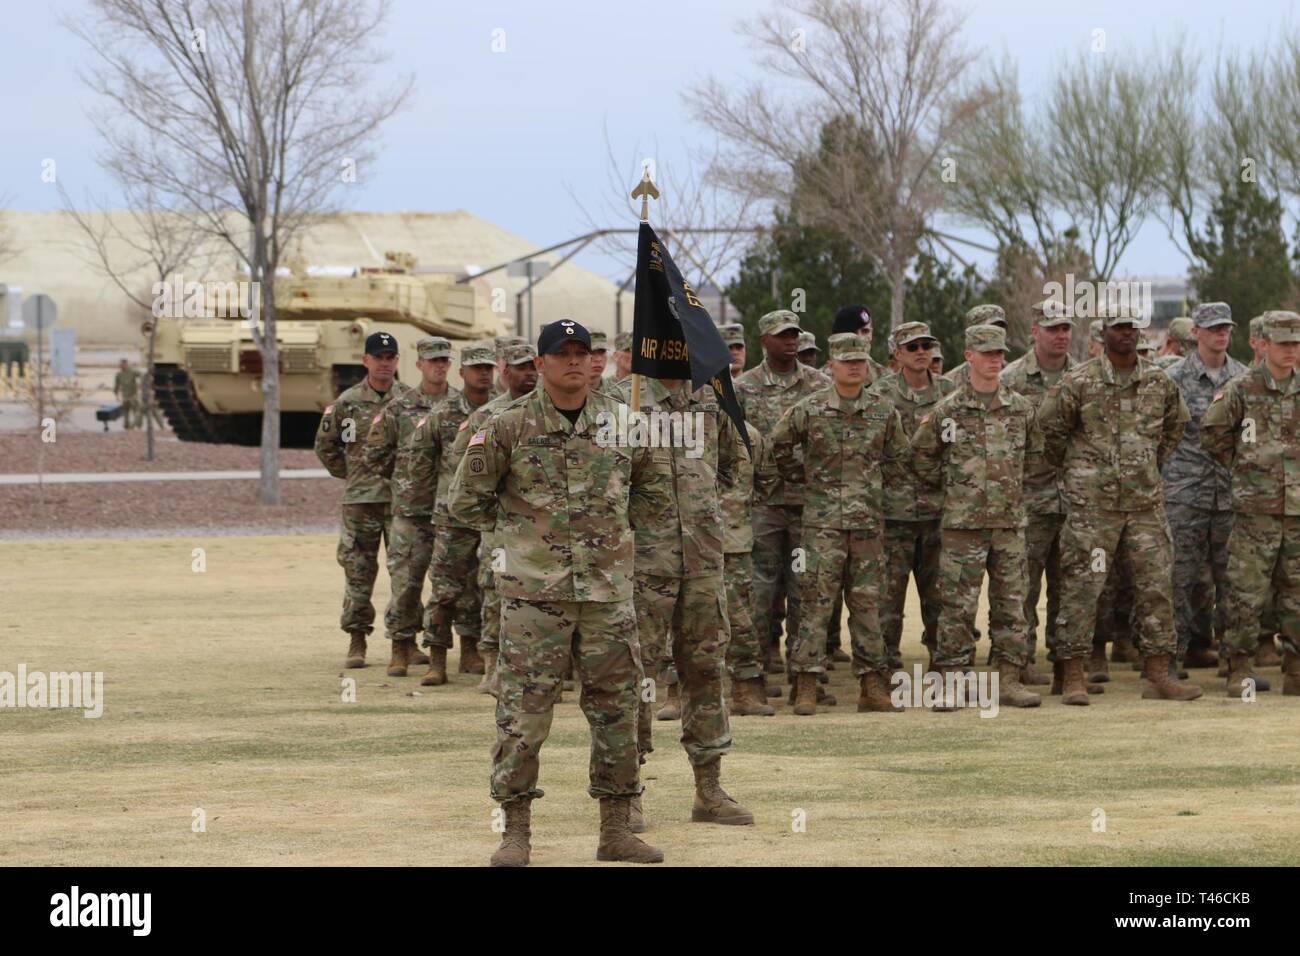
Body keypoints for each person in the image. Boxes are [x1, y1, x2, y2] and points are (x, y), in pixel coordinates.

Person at [449, 318, 671, 867]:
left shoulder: (626, 424)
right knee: (523, 714)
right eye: (561, 353)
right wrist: (525, 538)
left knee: (617, 711)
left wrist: (612, 537)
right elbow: (466, 501)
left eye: (583, 352)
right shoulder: (507, 426)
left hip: (606, 596)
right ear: (540, 364)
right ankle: (515, 833)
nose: (574, 361)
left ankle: (616, 829)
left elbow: (653, 491)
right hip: (533, 598)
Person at [614, 361, 754, 829]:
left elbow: (734, 465)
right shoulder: (622, 400)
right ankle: (627, 793)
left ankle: (709, 789)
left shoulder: (712, 397)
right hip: (642, 565)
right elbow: (604, 480)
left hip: (703, 561)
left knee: (706, 671)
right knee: (635, 677)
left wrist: (701, 512)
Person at [1038, 307, 1201, 703]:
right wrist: (1082, 473)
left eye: (1133, 328)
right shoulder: (1080, 381)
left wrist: (1148, 462)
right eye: (1120, 328)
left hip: (1145, 506)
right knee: (1082, 588)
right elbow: (1049, 431)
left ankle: (1159, 673)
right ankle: (1073, 673)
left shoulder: (1158, 382)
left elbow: (1175, 426)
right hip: (1094, 510)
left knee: (1156, 587)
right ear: (1105, 333)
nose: (1128, 334)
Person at [770, 333, 909, 715]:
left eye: (860, 361)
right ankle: (806, 685)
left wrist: (876, 490)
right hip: (822, 526)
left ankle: (872, 685)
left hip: (867, 527)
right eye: (846, 361)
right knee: (815, 604)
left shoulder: (883, 411)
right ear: (830, 366)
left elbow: (900, 459)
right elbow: (777, 445)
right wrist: (802, 477)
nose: (854, 366)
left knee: (868, 605)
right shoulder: (810, 408)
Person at [913, 325, 1043, 709]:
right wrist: (956, 489)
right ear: (969, 355)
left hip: (1008, 524)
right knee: (956, 606)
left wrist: (1011, 491)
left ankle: (1009, 678)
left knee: (1012, 602)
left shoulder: (1020, 409)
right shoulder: (948, 410)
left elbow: (1035, 457)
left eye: (1000, 353)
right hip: (962, 526)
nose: (995, 360)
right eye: (987, 353)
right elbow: (922, 457)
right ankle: (954, 680)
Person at [1201, 310, 1300, 697]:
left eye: (1296, 343)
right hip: (1254, 512)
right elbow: (1214, 436)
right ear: (1265, 344)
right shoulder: (1241, 389)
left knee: (1296, 593)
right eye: (1284, 343)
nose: (1291, 350)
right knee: (1245, 592)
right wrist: (1248, 469)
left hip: (1297, 512)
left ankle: (1295, 670)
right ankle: (1237, 668)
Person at [733, 310, 828, 679]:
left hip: (808, 505)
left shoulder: (819, 385)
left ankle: (804, 672)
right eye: (782, 335)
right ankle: (754, 668)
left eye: (794, 335)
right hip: (764, 505)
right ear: (763, 342)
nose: (790, 341)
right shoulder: (742, 388)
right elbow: (733, 446)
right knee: (760, 588)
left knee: (805, 585)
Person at [314, 331, 413, 667]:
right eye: (378, 357)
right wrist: (352, 474)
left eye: (390, 357)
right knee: (359, 571)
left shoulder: (409, 402)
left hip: (402, 502)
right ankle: (357, 641)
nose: (385, 364)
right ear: (365, 361)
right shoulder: (347, 402)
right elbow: (326, 446)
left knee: (405, 573)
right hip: (361, 501)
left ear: (397, 361)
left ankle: (405, 640)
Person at [1161, 303, 1248, 678]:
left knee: (1233, 579)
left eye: (1225, 327)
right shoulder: (1173, 378)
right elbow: (1160, 432)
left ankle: (1233, 659)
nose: (1221, 334)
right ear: (1195, 332)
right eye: (1213, 328)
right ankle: (1172, 658)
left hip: (1229, 493)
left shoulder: (1244, 378)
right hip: (1185, 493)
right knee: (1180, 577)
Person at [449, 343, 539, 696]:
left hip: (541, 530)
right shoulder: (488, 417)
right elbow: (466, 469)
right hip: (503, 527)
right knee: (494, 592)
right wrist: (495, 518)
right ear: (506, 371)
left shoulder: (547, 410)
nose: (529, 373)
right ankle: (492, 666)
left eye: (533, 366)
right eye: (520, 367)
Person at [363, 336, 455, 676]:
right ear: (419, 365)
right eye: (432, 361)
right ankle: (401, 647)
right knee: (405, 584)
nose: (439, 366)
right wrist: (404, 481)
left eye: (444, 360)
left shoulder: (461, 407)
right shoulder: (399, 408)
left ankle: (450, 652)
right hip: (410, 514)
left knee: (452, 588)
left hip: (449, 515)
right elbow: (375, 454)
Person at [870, 322, 954, 671]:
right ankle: (885, 664)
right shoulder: (879, 395)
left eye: (926, 345)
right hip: (893, 514)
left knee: (940, 595)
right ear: (896, 354)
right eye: (913, 347)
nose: (922, 352)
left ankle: (943, 660)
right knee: (888, 597)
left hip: (940, 512)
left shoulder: (951, 393)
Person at [999, 300, 1075, 685]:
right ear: (1034, 332)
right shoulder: (1010, 380)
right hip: (1029, 500)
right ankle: (1020, 660)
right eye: (1052, 328)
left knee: (1070, 586)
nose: (1061, 335)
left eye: (1066, 329)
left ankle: (1066, 661)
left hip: (1075, 502)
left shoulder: (1083, 377)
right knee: (1022, 587)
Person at [413, 344, 497, 685]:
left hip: (489, 513)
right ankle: (436, 656)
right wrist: (423, 509)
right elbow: (420, 464)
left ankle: (471, 650)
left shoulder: (502, 411)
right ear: (461, 373)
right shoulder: (443, 414)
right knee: (446, 588)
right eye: (476, 368)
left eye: (488, 368)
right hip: (450, 516)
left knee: (483, 586)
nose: (483, 374)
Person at [945, 305, 1008, 388]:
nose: (996, 333)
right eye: (989, 329)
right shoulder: (950, 382)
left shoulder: (1014, 375)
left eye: (1000, 328)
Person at [831, 304, 886, 380]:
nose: (860, 338)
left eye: (865, 331)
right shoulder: (820, 380)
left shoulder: (884, 376)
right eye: (853, 333)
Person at [113, 359, 141, 430]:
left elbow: (142, 376)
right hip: (125, 397)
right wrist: (116, 395)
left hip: (133, 395)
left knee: (136, 411)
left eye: (122, 364)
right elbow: (116, 386)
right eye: (120, 365)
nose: (121, 366)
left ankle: (134, 425)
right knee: (126, 412)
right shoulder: (119, 374)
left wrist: (142, 385)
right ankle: (127, 426)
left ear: (126, 364)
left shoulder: (133, 372)